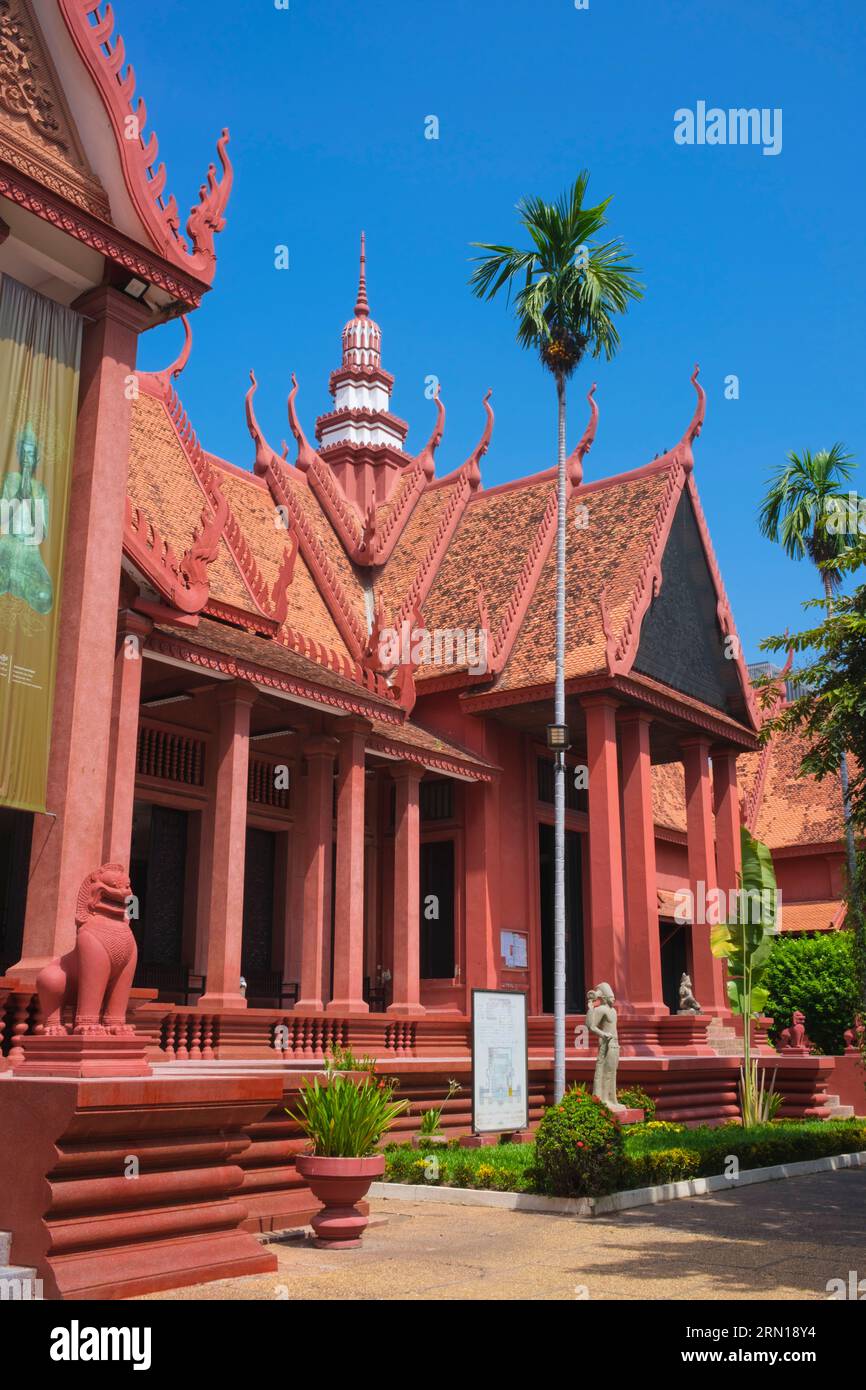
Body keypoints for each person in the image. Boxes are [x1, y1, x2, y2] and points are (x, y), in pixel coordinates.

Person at [0, 421, 53, 616]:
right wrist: (17, 498)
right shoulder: (10, 480)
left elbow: (39, 535)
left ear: (37, 458)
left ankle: (14, 580)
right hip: (7, 544)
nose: (26, 459)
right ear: (18, 454)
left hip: (29, 551)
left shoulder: (40, 489)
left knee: (44, 596)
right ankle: (12, 578)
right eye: (23, 453)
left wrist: (29, 498)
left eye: (30, 454)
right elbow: (2, 523)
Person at [587, 981, 625, 1112]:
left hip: (615, 1044)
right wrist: (603, 1034)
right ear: (604, 998)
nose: (613, 999)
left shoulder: (613, 1011)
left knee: (612, 1072)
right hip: (606, 1043)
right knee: (604, 1071)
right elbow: (591, 1026)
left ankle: (612, 1099)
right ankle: (602, 1099)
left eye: (613, 996)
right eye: (610, 997)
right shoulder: (601, 1009)